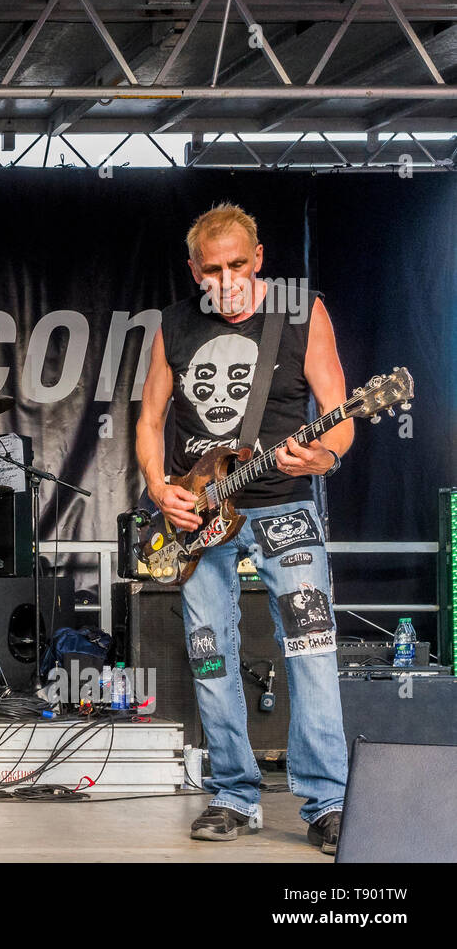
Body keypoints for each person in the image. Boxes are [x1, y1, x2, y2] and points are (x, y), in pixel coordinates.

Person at [135, 203, 352, 854]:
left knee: (310, 645)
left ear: (257, 259)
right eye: (212, 270)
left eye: (237, 265)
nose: (225, 279)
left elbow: (339, 413)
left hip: (283, 501)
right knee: (209, 650)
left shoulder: (300, 312)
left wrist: (326, 452)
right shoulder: (174, 323)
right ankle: (233, 792)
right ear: (195, 270)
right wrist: (158, 487)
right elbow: (149, 420)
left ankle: (329, 800)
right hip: (199, 512)